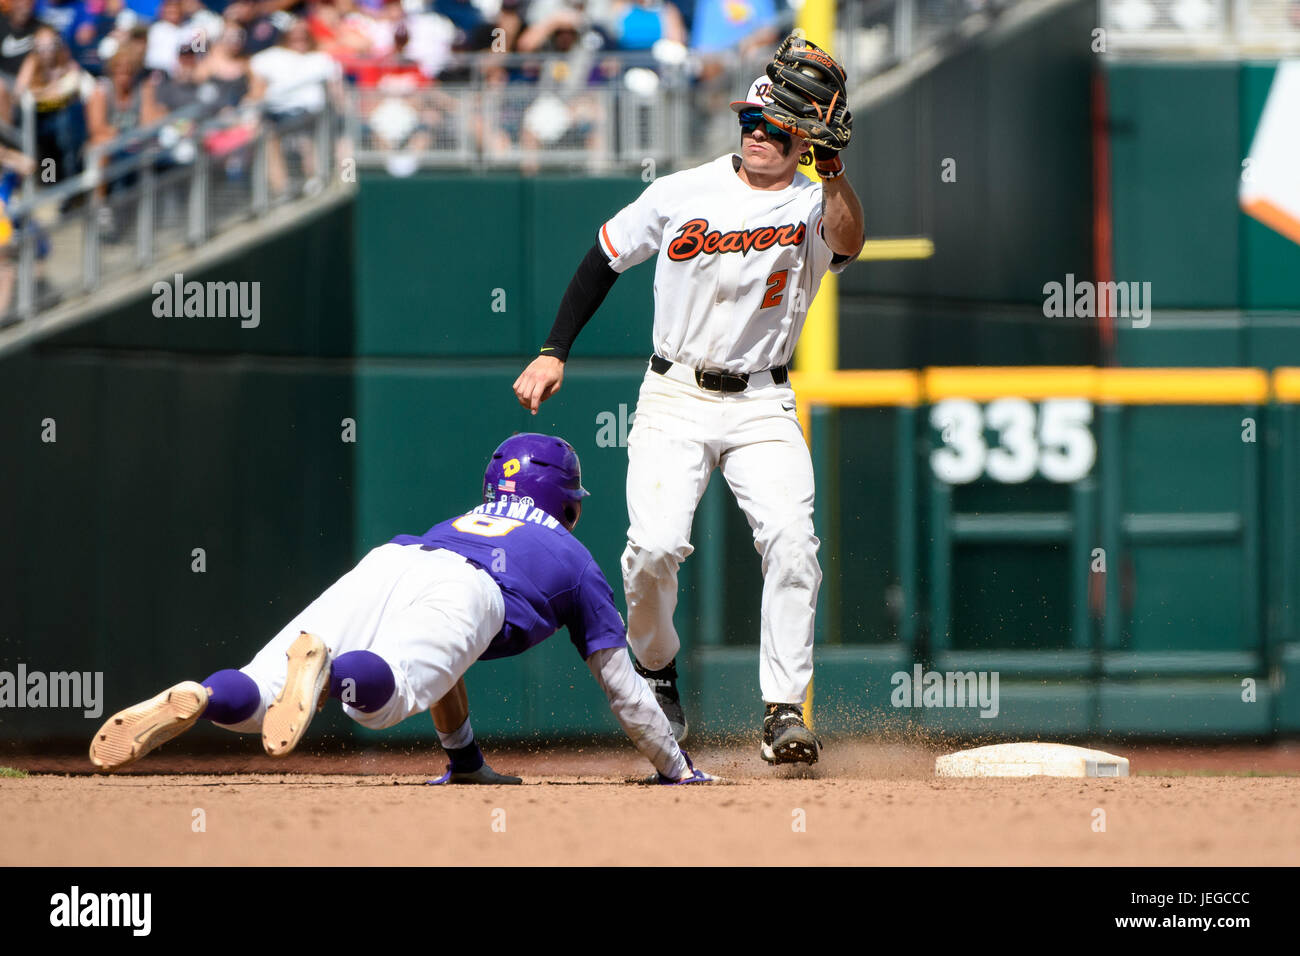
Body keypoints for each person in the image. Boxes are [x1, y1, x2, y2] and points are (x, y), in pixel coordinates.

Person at [511, 62, 864, 765]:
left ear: (804, 141)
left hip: (763, 400)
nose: (757, 134)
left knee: (793, 543)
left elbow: (850, 241)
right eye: (749, 122)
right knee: (652, 550)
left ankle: (783, 712)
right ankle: (660, 673)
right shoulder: (680, 191)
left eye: (775, 128)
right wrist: (554, 350)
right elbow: (602, 261)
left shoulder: (812, 200)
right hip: (674, 394)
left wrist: (833, 173)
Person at [89, 433, 716, 785]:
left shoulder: (461, 520)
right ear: (563, 497)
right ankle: (328, 676)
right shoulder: (573, 558)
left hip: (396, 558)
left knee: (259, 693)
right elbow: (624, 687)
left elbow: (452, 673)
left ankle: (201, 695)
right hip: (471, 591)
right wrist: (675, 766)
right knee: (382, 702)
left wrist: (465, 762)